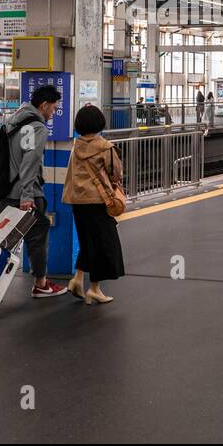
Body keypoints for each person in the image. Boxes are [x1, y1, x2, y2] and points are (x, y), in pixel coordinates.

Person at [3, 85, 67, 298]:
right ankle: (41, 284)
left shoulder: (13, 119)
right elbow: (30, 164)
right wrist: (27, 196)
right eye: (53, 108)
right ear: (44, 105)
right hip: (26, 195)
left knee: (2, 243)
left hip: (5, 192)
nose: (53, 113)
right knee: (38, 238)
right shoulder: (38, 127)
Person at [63, 104, 125, 305]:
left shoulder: (76, 145)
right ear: (100, 123)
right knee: (103, 244)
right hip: (98, 201)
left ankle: (77, 279)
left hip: (77, 201)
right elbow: (117, 173)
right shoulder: (105, 147)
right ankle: (95, 289)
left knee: (87, 241)